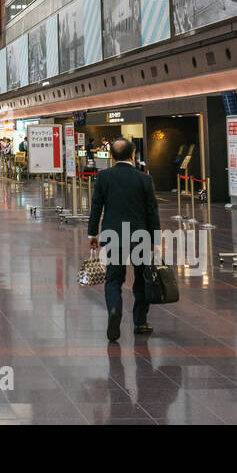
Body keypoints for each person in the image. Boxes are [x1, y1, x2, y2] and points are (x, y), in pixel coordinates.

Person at [87, 138, 161, 342]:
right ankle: (140, 321)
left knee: (113, 279)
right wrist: (156, 239)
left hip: (113, 235)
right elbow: (152, 211)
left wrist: (92, 234)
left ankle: (114, 309)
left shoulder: (104, 177)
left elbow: (96, 207)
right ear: (133, 154)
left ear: (111, 156)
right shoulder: (144, 179)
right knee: (142, 278)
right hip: (140, 236)